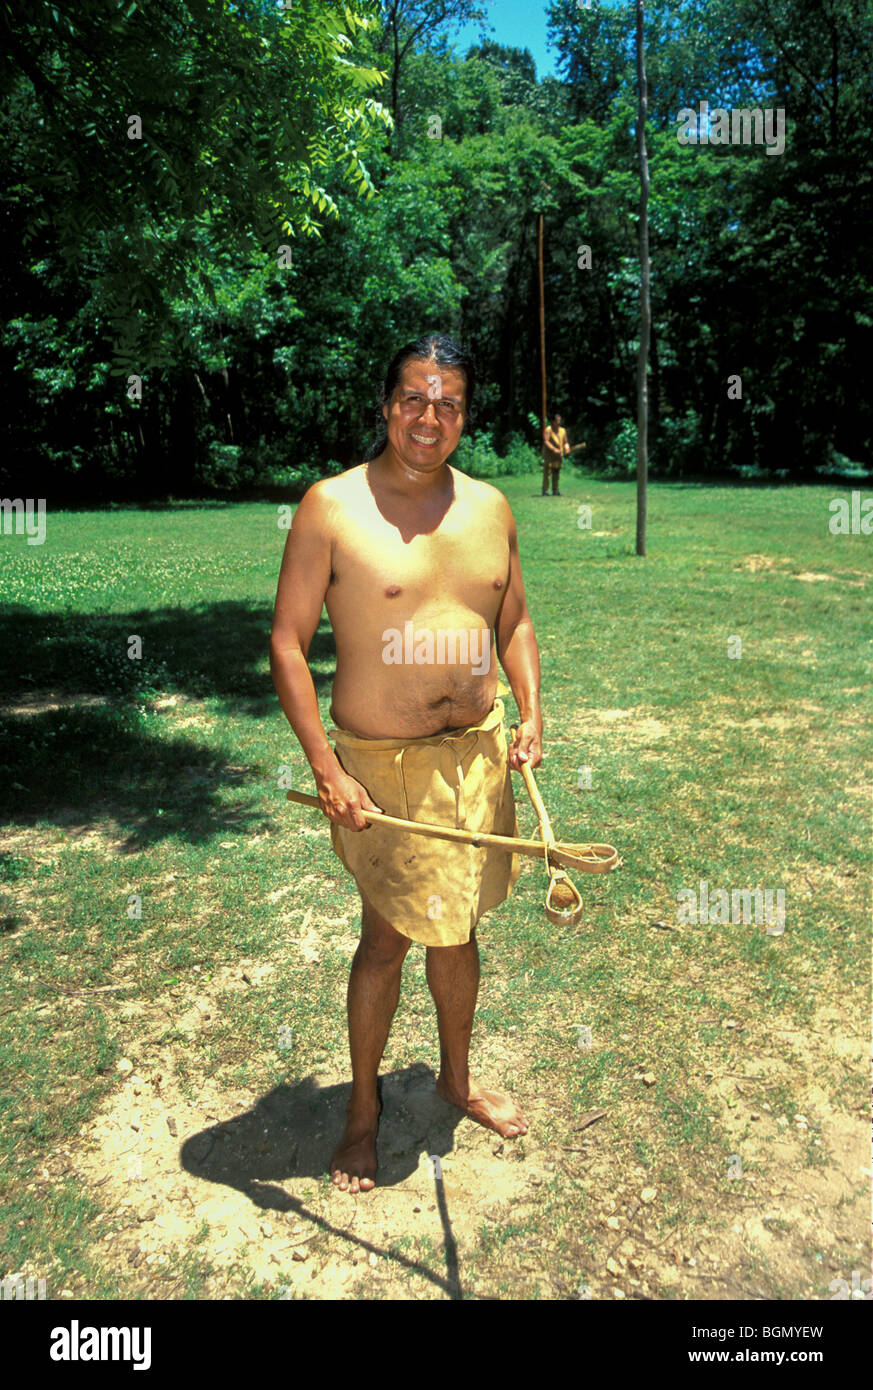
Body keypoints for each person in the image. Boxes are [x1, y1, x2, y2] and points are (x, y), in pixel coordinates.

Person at [270, 333, 543, 1194]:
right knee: (387, 937)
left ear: (466, 415)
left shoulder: (491, 508)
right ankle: (362, 1114)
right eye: (414, 399)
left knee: (458, 926)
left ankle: (456, 1081)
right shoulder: (331, 507)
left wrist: (532, 708)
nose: (430, 417)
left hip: (478, 758)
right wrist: (324, 764)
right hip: (383, 769)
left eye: (449, 404)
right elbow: (285, 641)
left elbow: (515, 624)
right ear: (387, 404)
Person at [542, 412, 569, 495]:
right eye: (557, 421)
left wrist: (567, 448)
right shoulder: (548, 430)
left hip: (558, 456)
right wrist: (554, 449)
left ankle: (555, 490)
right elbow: (546, 441)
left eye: (559, 420)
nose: (559, 422)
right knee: (547, 473)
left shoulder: (562, 430)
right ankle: (545, 491)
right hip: (549, 455)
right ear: (553, 421)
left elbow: (565, 442)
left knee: (556, 473)